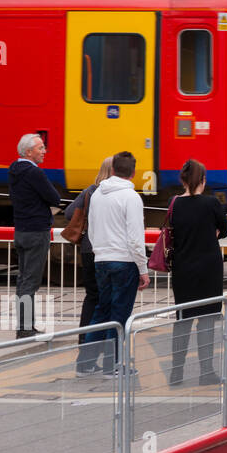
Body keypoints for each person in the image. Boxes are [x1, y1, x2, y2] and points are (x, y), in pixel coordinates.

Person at [167, 159, 227, 386]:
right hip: (208, 270)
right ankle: (206, 373)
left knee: (182, 320)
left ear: (182, 180)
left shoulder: (173, 203)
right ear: (203, 180)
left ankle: (176, 373)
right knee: (206, 321)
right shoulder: (211, 203)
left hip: (182, 269)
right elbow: (226, 230)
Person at [87, 151, 149, 375]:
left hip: (101, 259)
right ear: (133, 173)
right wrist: (143, 269)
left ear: (112, 170)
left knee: (101, 311)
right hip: (124, 261)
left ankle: (85, 363)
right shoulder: (131, 198)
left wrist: (99, 252)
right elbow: (135, 238)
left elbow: (91, 230)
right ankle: (111, 365)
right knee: (119, 314)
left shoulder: (97, 195)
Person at [64, 156, 114, 372]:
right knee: (108, 303)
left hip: (87, 250)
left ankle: (85, 350)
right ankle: (103, 354)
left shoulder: (89, 191)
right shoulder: (114, 192)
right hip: (106, 251)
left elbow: (68, 214)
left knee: (92, 299)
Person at [8, 133, 61, 338]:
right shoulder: (34, 173)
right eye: (40, 148)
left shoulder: (14, 170)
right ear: (29, 152)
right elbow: (54, 198)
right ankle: (25, 328)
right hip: (36, 231)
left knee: (23, 280)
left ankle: (24, 325)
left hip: (21, 231)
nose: (44, 151)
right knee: (30, 281)